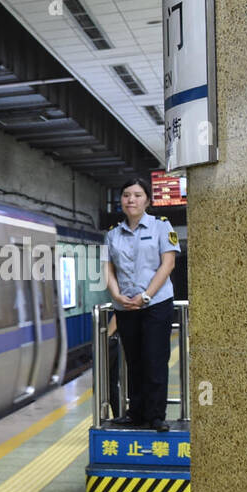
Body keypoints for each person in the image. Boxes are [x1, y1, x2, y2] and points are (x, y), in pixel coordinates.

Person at [101, 176, 180, 432]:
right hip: (126, 305)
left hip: (156, 304)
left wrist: (146, 295)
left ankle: (156, 415)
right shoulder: (112, 235)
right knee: (133, 361)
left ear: (147, 200)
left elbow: (168, 264)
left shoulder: (162, 227)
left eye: (136, 195)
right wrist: (116, 296)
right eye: (126, 195)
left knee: (155, 359)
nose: (131, 200)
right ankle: (135, 412)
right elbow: (108, 269)